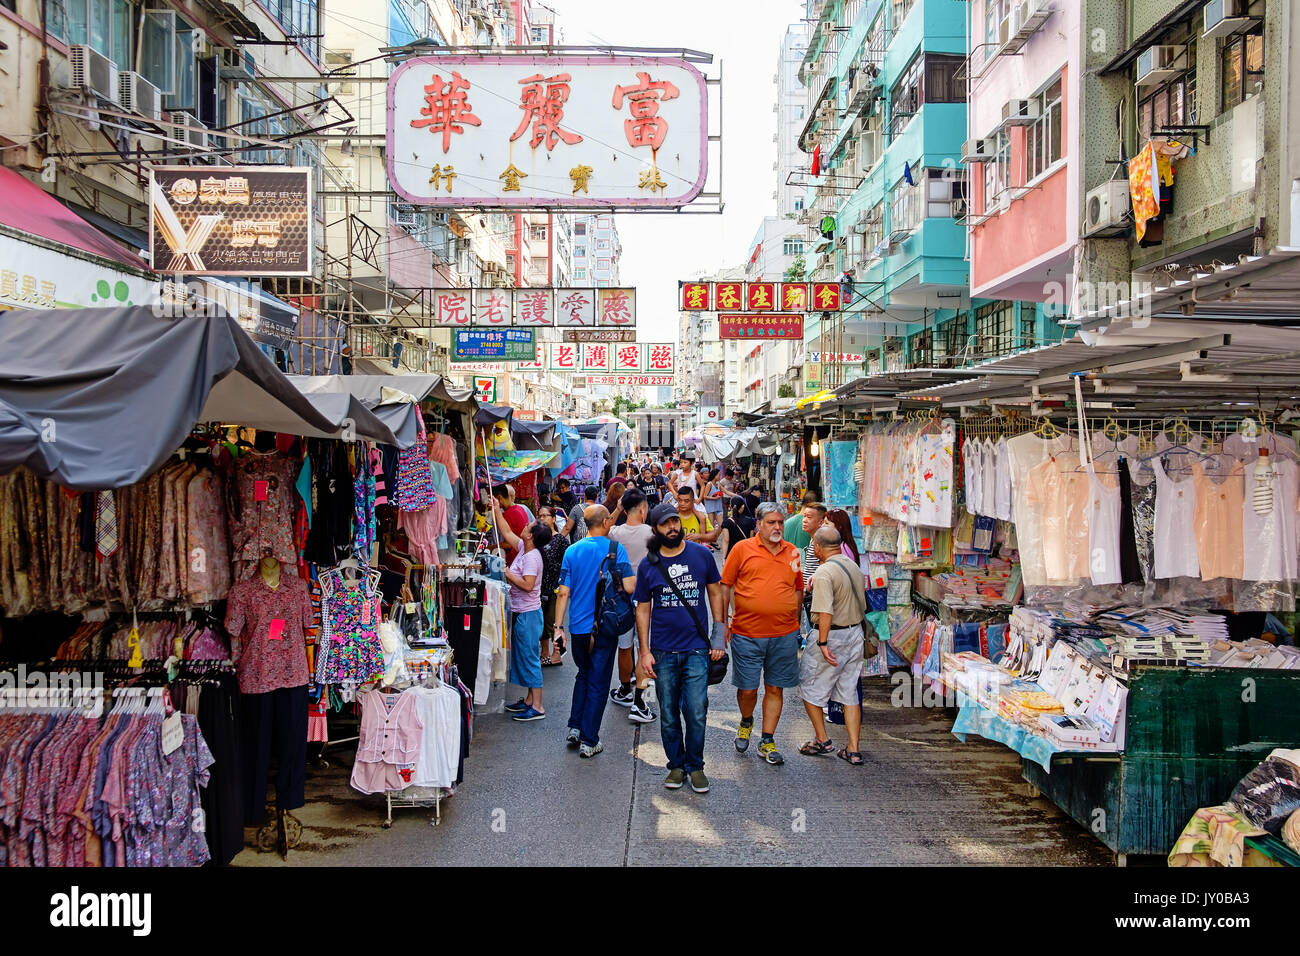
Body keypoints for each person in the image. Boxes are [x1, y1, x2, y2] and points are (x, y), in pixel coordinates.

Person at [635, 503, 725, 794]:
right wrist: (644, 651)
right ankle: (676, 764)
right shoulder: (648, 564)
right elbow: (643, 610)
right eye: (666, 524)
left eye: (675, 521)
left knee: (697, 710)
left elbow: (715, 593)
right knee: (669, 712)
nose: (673, 527)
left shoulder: (700, 555)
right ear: (656, 530)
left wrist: (719, 636)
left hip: (697, 649)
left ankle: (695, 766)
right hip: (662, 651)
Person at [720, 501, 804, 766]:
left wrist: (797, 619)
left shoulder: (792, 552)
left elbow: (798, 588)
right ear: (758, 524)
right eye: (772, 522)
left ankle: (767, 739)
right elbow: (726, 586)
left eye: (780, 522)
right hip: (747, 632)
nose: (778, 527)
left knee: (775, 687)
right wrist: (723, 622)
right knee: (747, 689)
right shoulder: (741, 550)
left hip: (784, 633)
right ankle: (746, 720)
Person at [553, 505, 635, 758]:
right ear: (605, 522)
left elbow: (564, 592)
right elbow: (630, 586)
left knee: (583, 674)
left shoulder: (572, 550)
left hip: (578, 625)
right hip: (604, 625)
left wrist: (558, 628)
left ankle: (575, 727)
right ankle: (590, 740)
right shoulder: (614, 550)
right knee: (599, 681)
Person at [799, 526, 867, 766]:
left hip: (832, 636)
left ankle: (822, 739)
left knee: (809, 689)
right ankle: (854, 749)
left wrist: (823, 642)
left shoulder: (824, 572)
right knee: (849, 693)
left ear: (817, 547)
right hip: (855, 633)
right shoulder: (853, 566)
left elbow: (825, 611)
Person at [494, 518, 552, 722]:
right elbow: (507, 531)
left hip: (529, 615)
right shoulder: (524, 548)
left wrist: (507, 573)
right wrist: (496, 510)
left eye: (528, 527)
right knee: (525, 656)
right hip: (523, 613)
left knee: (530, 658)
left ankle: (538, 706)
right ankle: (529, 700)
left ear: (531, 536)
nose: (524, 526)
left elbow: (528, 585)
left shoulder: (532, 557)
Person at [608, 489, 656, 723]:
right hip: (646, 595)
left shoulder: (615, 533)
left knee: (624, 646)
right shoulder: (649, 533)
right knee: (643, 647)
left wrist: (617, 509)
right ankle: (639, 699)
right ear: (643, 509)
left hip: (621, 596)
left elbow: (602, 525)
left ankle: (624, 688)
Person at [536, 505, 570, 666]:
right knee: (542, 623)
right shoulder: (536, 539)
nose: (542, 519)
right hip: (539, 586)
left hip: (556, 586)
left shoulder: (560, 540)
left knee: (556, 622)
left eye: (546, 516)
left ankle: (558, 654)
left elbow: (568, 564)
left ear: (553, 518)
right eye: (540, 516)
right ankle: (544, 652)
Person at [493, 484, 531, 563]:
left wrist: (490, 547)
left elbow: (508, 544)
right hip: (523, 553)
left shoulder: (509, 514)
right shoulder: (520, 508)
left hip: (515, 557)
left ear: (499, 498)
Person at [701, 467, 725, 539]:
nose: (720, 476)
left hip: (718, 507)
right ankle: (712, 540)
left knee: (721, 525)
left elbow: (726, 491)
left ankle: (714, 538)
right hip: (710, 507)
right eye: (719, 475)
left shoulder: (718, 484)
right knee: (711, 526)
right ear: (715, 475)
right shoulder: (709, 484)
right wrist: (714, 498)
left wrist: (736, 495)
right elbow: (704, 496)